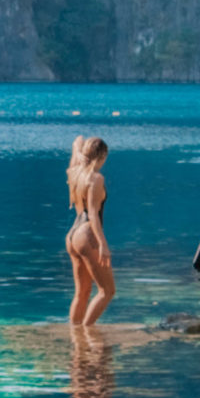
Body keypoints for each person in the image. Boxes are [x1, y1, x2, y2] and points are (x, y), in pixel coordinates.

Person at [65, 136, 115, 325]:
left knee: (82, 292)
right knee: (107, 291)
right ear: (103, 156)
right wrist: (103, 244)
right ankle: (86, 332)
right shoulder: (95, 178)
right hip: (87, 234)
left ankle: (75, 334)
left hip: (72, 235)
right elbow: (93, 213)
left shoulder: (74, 172)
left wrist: (78, 149)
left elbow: (76, 145)